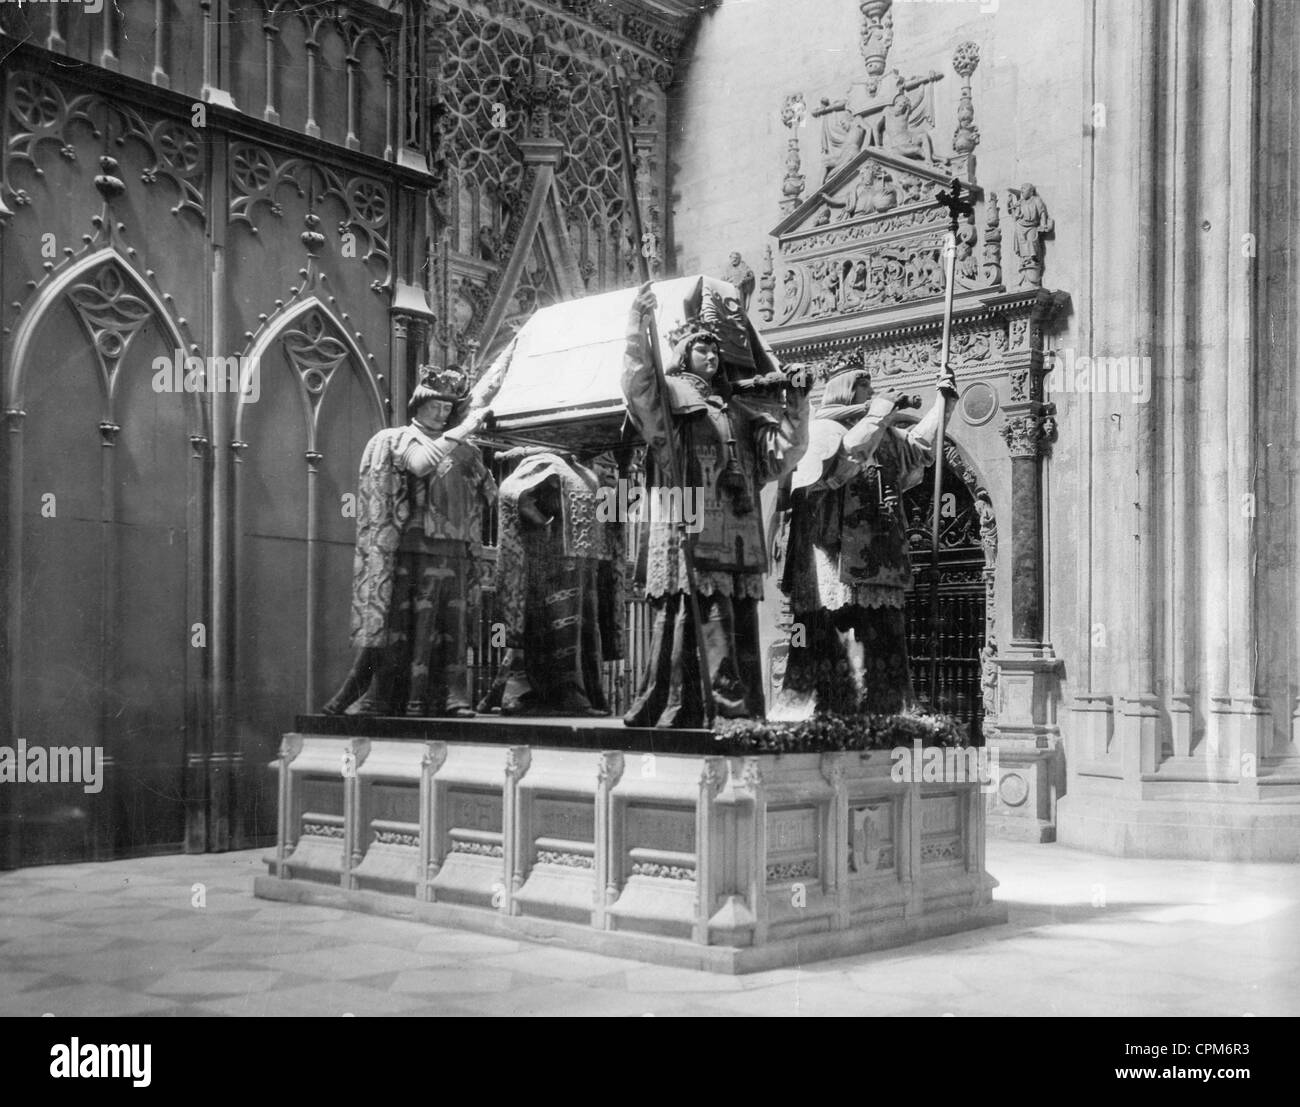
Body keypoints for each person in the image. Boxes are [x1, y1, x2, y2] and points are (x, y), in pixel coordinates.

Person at [621, 283, 810, 728]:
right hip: (691, 522)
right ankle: (719, 707)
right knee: (704, 614)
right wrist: (637, 326)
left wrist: (798, 404)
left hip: (737, 530)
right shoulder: (670, 397)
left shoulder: (740, 410)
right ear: (684, 353)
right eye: (703, 348)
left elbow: (781, 454)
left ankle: (740, 705)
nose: (713, 355)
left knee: (738, 618)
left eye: (715, 349)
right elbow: (638, 387)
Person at [775, 367, 958, 717]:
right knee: (828, 628)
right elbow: (847, 458)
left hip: (879, 551)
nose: (872, 393)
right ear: (844, 393)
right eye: (864, 388)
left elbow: (919, 448)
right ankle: (828, 707)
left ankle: (886, 709)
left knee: (882, 632)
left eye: (871, 387)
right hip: (832, 552)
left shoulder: (884, 431)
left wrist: (943, 404)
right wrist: (879, 413)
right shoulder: (824, 428)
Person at [322, 363, 496, 717]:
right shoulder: (400, 437)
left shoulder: (463, 448)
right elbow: (420, 464)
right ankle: (391, 697)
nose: (442, 411)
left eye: (448, 407)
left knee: (454, 628)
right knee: (404, 625)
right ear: (419, 403)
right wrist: (466, 427)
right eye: (435, 404)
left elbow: (489, 492)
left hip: (455, 549)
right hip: (415, 548)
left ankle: (453, 696)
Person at [478, 448, 625, 716]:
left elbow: (614, 513)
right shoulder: (549, 462)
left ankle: (579, 694)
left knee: (581, 632)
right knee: (558, 632)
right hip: (555, 563)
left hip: (586, 564)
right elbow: (513, 493)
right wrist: (543, 526)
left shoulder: (587, 471)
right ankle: (567, 695)